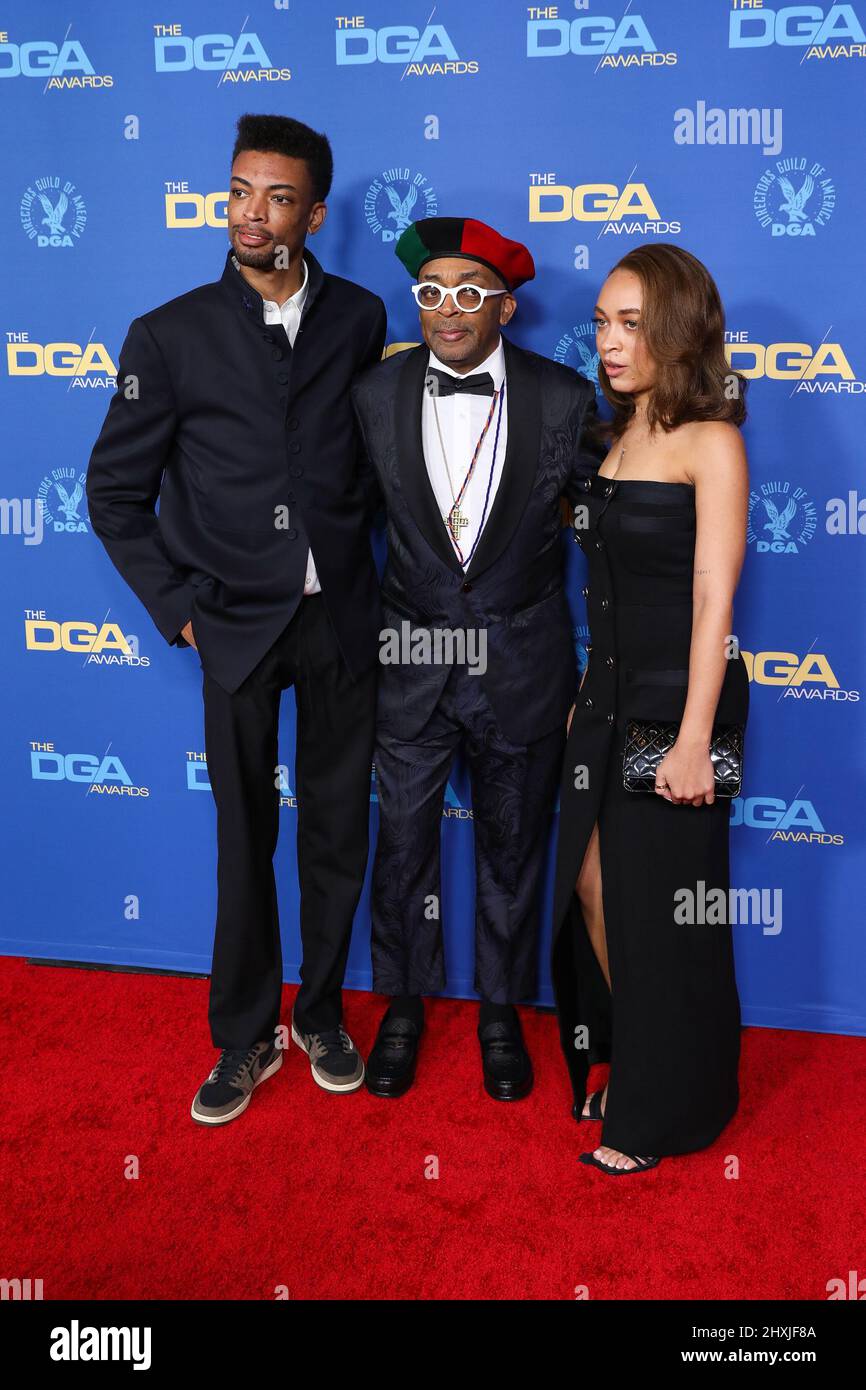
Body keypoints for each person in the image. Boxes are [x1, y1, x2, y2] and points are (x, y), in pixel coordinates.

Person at [86, 114, 387, 1125]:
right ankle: (245, 1034)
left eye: (275, 197)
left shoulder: (357, 314)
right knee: (243, 836)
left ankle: (321, 1013)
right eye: (238, 191)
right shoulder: (166, 334)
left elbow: (366, 466)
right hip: (234, 626)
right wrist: (179, 613)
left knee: (339, 830)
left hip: (341, 618)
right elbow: (113, 493)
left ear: (313, 211)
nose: (250, 214)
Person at [351, 216, 603, 1101]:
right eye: (430, 295)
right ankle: (404, 1010)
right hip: (411, 659)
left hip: (523, 666)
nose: (446, 312)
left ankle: (501, 1011)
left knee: (512, 849)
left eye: (467, 295)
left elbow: (618, 512)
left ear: (505, 306)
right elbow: (337, 522)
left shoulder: (566, 399)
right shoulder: (373, 396)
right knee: (405, 849)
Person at [551, 243, 750, 1175]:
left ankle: (667, 1105)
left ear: (676, 327)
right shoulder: (617, 432)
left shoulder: (712, 440)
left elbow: (715, 600)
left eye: (631, 323)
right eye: (600, 322)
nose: (610, 340)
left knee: (669, 909)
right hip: (610, 697)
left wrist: (697, 740)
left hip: (682, 705)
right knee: (593, 885)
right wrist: (589, 699)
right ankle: (641, 1053)